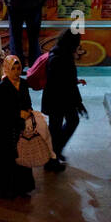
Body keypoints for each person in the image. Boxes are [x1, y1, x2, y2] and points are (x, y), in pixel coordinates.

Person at [0, 55, 36, 198]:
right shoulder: (1, 87)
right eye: (13, 68)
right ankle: (6, 189)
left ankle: (21, 188)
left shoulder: (23, 84)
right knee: (6, 160)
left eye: (18, 68)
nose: (16, 71)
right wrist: (18, 113)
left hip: (20, 127)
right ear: (7, 69)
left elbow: (28, 102)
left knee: (21, 157)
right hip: (4, 130)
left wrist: (28, 112)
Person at [41, 29, 87, 171]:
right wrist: (77, 102)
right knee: (64, 125)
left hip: (58, 99)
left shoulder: (59, 53)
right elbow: (62, 81)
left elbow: (66, 79)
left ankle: (54, 153)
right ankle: (52, 157)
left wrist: (75, 81)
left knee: (57, 127)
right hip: (59, 100)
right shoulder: (61, 57)